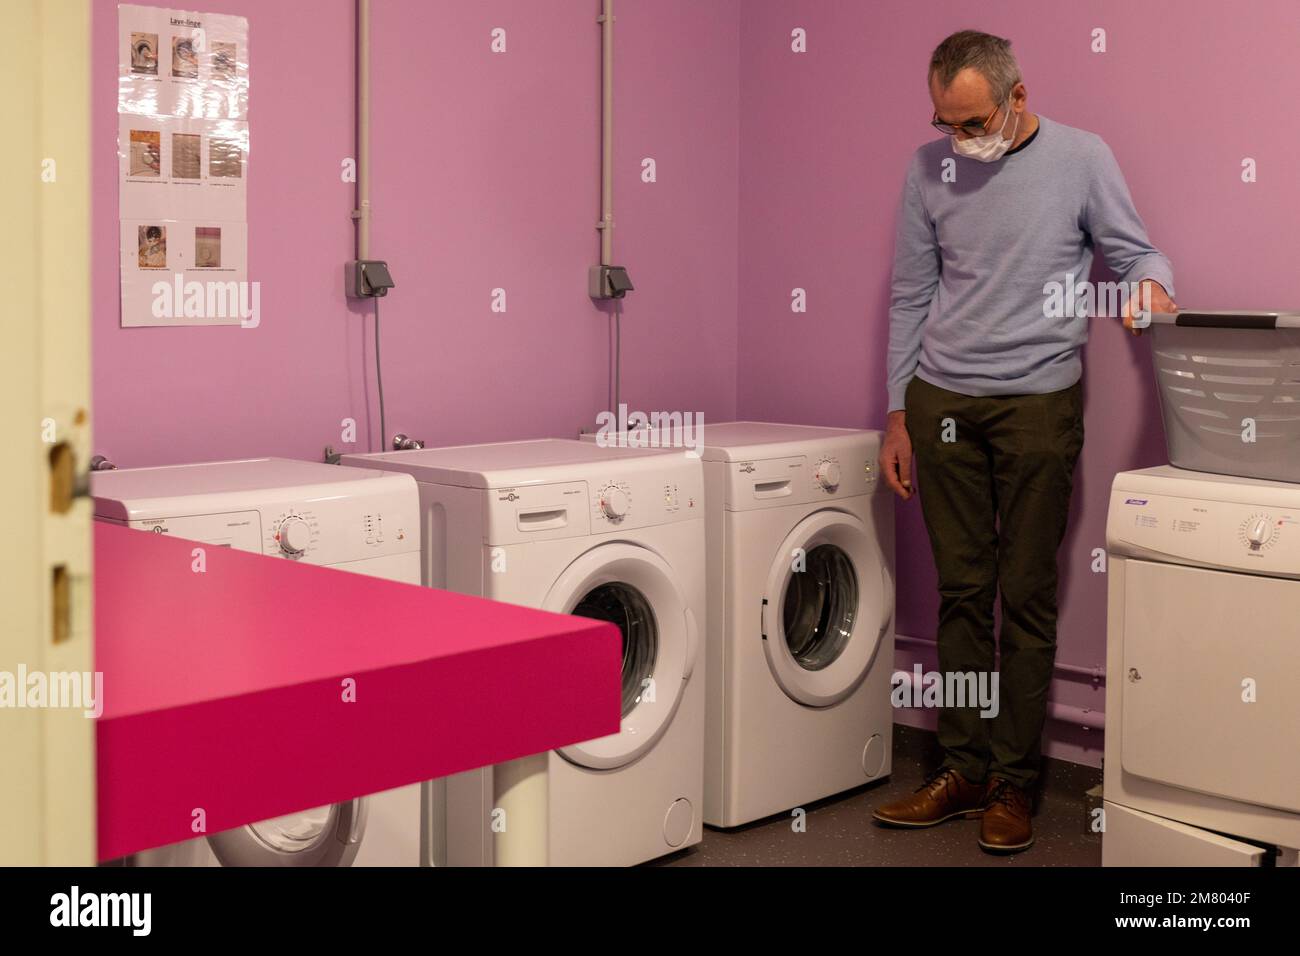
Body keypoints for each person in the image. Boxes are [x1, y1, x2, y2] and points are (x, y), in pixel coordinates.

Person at [872, 30, 1175, 853]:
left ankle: (1015, 783)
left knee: (1027, 593)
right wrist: (898, 414)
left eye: (972, 121)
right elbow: (910, 291)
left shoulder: (1081, 157)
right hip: (942, 401)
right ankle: (962, 768)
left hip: (1039, 401)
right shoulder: (927, 167)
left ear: (1016, 96)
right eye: (945, 122)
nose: (959, 140)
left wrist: (1152, 289)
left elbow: (1135, 251)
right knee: (963, 591)